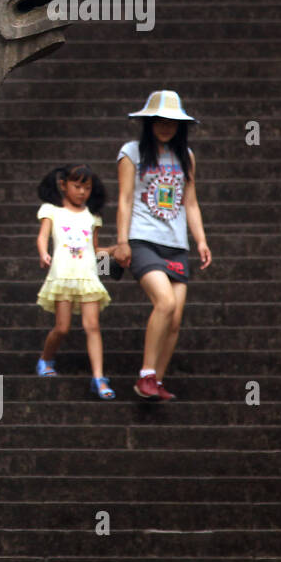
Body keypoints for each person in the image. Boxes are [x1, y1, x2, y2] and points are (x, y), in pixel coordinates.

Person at [113, 90, 212, 401]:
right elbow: (125, 199)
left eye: (172, 121)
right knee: (165, 303)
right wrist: (121, 240)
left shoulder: (187, 156)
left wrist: (201, 240)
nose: (166, 126)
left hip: (176, 244)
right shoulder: (132, 152)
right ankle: (146, 373)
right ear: (149, 122)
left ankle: (156, 381)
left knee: (175, 320)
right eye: (159, 120)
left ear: (180, 125)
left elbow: (191, 204)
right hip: (143, 240)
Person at [35, 163, 114, 399]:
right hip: (63, 275)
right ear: (63, 185)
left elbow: (96, 248)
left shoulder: (93, 216)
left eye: (86, 188)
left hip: (88, 276)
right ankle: (46, 358)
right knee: (62, 327)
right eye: (77, 186)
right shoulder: (52, 211)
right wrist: (43, 253)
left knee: (93, 326)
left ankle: (99, 378)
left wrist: (113, 253)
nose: (81, 192)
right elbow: (42, 237)